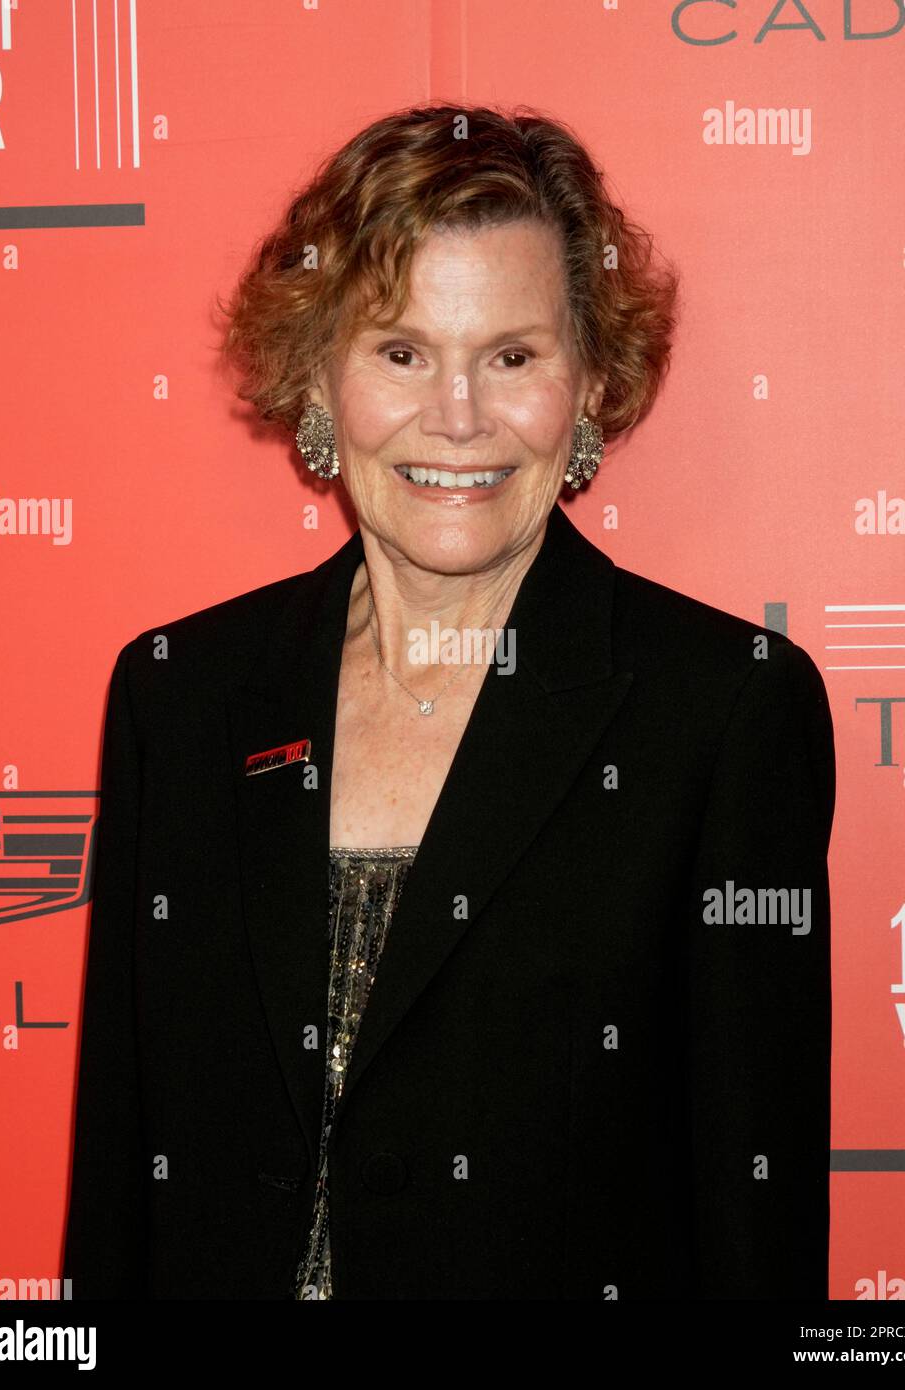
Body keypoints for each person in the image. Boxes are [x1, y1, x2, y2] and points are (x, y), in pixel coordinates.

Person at [61, 102, 836, 1300]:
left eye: (512, 356)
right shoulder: (183, 693)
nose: (459, 418)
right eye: (401, 351)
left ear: (588, 386)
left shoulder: (720, 712)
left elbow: (753, 1209)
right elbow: (119, 1171)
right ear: (321, 379)